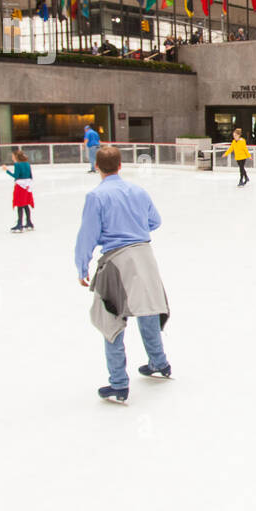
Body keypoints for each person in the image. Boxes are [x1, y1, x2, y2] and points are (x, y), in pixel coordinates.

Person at [74, 145, 172, 402]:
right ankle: (159, 362)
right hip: (145, 256)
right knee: (148, 309)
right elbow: (156, 221)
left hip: (117, 260)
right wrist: (136, 225)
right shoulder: (138, 191)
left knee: (111, 320)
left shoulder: (96, 197)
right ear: (120, 166)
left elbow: (88, 235)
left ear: (97, 167)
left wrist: (82, 266)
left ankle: (118, 383)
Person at [4, 149, 35, 232]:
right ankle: (29, 222)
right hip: (27, 186)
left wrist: (6, 170)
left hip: (20, 186)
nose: (12, 158)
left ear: (16, 157)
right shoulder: (27, 164)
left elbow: (16, 176)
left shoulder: (17, 164)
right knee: (25, 204)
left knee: (20, 205)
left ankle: (19, 224)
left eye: (13, 156)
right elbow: (30, 175)